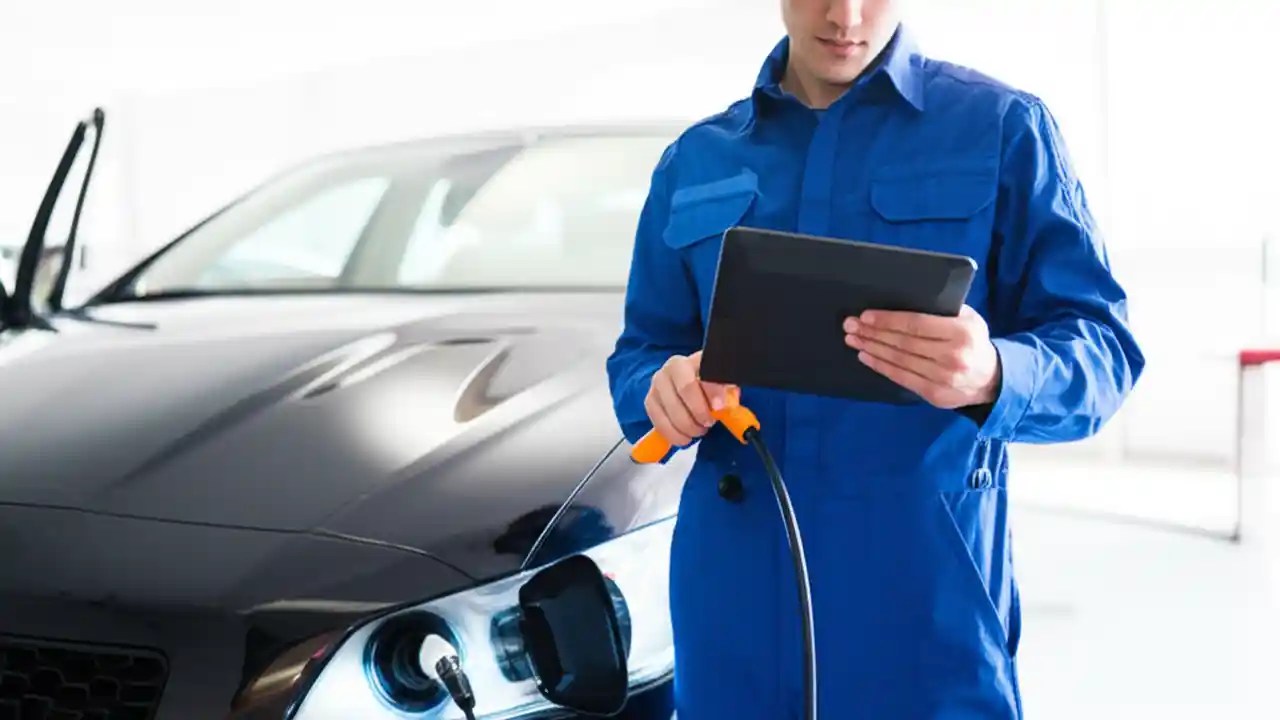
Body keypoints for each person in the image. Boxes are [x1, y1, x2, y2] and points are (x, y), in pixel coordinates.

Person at [606, 0, 1145, 717]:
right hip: (733, 600)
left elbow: (1103, 352)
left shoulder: (1001, 131)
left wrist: (994, 374)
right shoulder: (697, 160)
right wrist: (658, 390)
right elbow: (642, 350)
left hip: (926, 599)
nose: (846, 14)